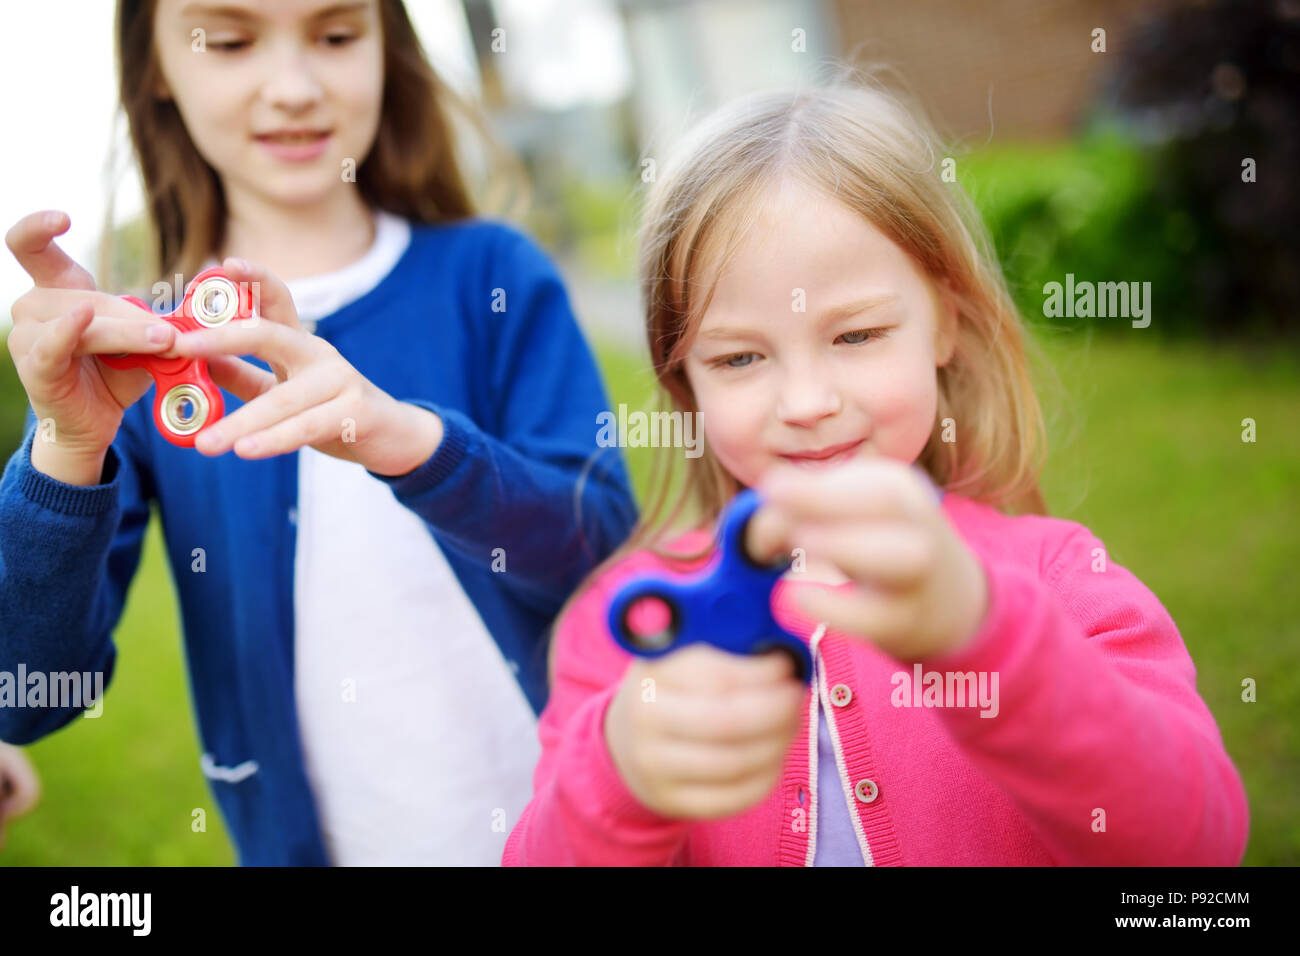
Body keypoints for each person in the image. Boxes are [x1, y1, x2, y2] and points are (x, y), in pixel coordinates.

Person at [503, 79, 1250, 865]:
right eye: (740, 357)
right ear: (684, 379)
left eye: (856, 336)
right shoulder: (627, 630)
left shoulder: (1058, 581)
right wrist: (619, 771)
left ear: (944, 324)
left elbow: (1195, 855)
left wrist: (984, 638)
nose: (806, 401)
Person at [0, 0, 635, 865]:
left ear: (387, 46)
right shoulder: (141, 350)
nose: (294, 88)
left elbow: (601, 550)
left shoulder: (494, 275)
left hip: (582, 833)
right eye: (229, 41)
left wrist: (413, 445)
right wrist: (67, 449)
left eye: (336, 36)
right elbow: (28, 695)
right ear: (155, 64)